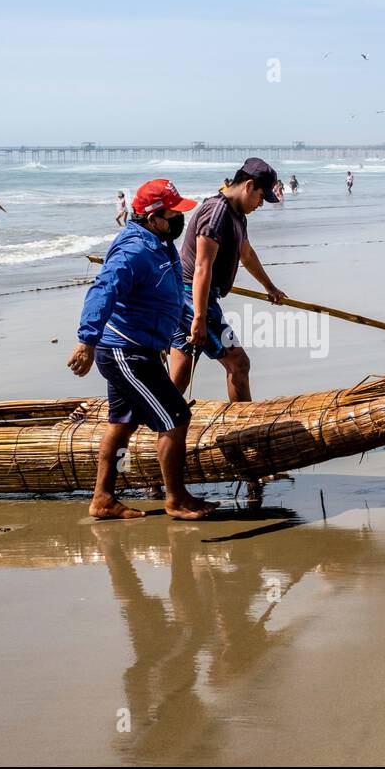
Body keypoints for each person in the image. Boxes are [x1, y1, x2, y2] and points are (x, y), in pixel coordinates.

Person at [68, 178, 215, 521]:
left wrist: (188, 326)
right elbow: (103, 289)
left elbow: (165, 295)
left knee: (122, 423)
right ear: (152, 217)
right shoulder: (134, 250)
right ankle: (176, 500)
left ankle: (103, 499)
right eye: (172, 213)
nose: (179, 220)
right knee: (176, 417)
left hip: (141, 348)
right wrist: (86, 341)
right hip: (124, 351)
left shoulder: (158, 243)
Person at [170, 157, 286, 402]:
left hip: (196, 296)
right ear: (248, 186)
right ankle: (245, 427)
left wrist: (271, 287)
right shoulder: (217, 213)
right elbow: (202, 267)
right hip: (192, 296)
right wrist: (200, 318)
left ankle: (149, 419)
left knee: (180, 373)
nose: (260, 204)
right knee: (238, 363)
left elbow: (247, 254)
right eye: (261, 197)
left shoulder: (237, 215)